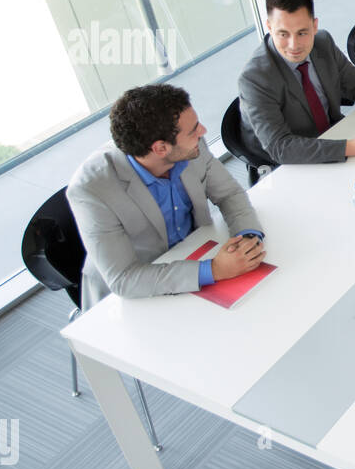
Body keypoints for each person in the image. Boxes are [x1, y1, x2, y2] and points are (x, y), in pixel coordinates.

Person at [67, 84, 265, 309]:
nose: (202, 132)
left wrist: (247, 237)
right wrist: (214, 270)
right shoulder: (91, 189)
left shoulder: (190, 146)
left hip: (195, 250)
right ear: (160, 149)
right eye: (193, 130)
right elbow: (124, 279)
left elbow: (229, 194)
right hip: (140, 289)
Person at [238, 0, 355, 165]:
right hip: (291, 160)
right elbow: (280, 147)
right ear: (269, 28)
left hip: (334, 134)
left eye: (302, 33)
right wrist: (350, 148)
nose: (294, 45)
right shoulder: (254, 79)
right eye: (283, 34)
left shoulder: (323, 42)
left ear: (315, 25)